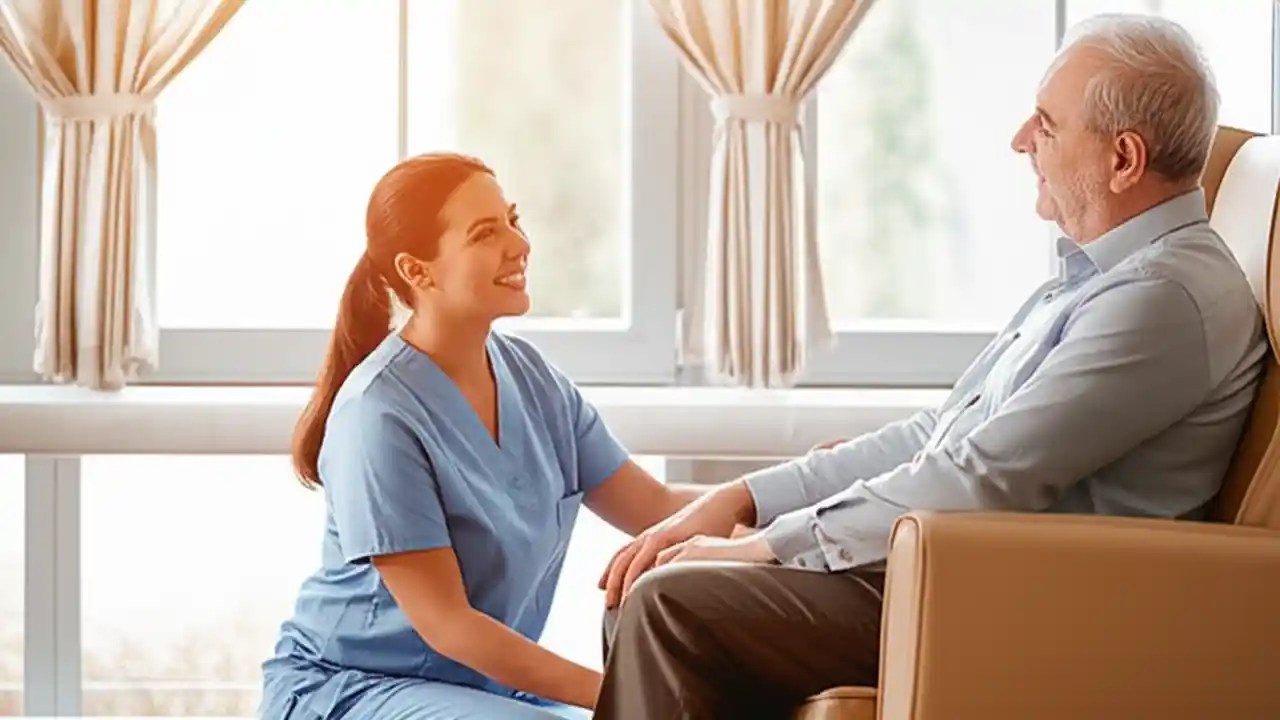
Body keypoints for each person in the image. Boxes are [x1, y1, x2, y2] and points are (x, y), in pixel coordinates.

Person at [593, 13, 1268, 719]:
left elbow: (982, 478)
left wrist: (764, 547)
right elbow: (939, 433)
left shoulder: (1162, 300)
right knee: (650, 583)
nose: (1019, 141)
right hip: (964, 571)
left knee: (667, 602)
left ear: (1123, 159)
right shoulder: (1105, 278)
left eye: (1046, 124)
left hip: (1015, 604)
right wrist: (741, 499)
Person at [258, 153, 702, 719]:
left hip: (479, 692)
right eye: (486, 233)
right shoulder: (378, 414)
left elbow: (657, 508)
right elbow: (450, 626)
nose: (519, 244)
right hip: (352, 689)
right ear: (418, 271)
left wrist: (798, 504)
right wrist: (630, 693)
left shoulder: (532, 379)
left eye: (513, 220)